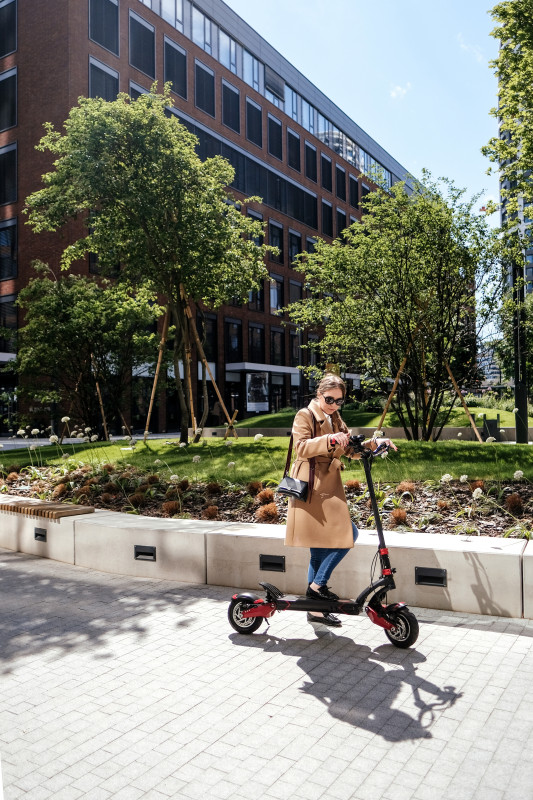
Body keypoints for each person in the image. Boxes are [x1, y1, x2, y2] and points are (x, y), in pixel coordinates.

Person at [285, 373, 397, 627]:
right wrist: (329, 439)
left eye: (339, 401)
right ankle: (317, 588)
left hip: (328, 484)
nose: (334, 405)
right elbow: (301, 447)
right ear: (318, 394)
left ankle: (315, 607)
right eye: (329, 399)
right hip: (311, 485)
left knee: (320, 547)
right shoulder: (306, 415)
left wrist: (375, 443)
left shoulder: (335, 418)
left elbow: (351, 450)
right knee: (348, 535)